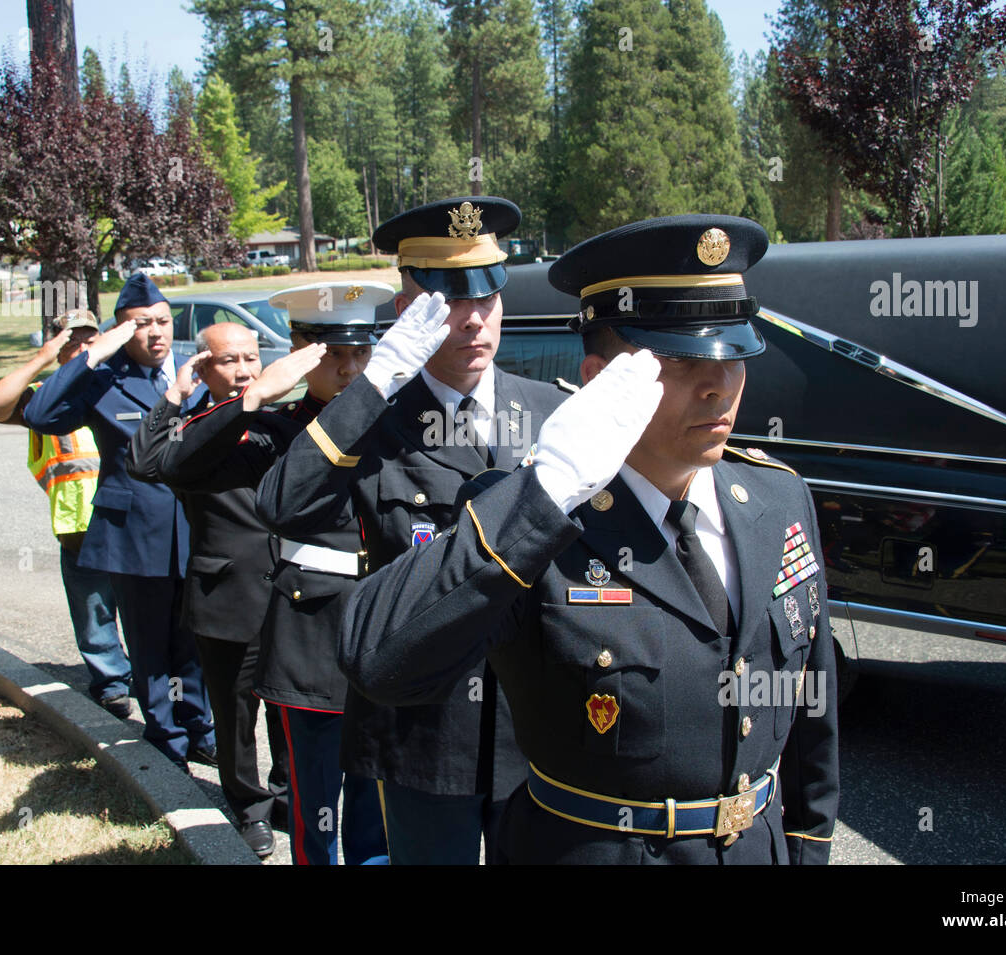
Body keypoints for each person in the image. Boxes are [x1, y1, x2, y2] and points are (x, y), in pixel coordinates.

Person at [339, 214, 840, 864]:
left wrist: (806, 850)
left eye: (732, 354)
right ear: (603, 377)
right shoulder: (534, 518)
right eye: (680, 361)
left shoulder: (777, 499)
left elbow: (810, 726)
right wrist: (544, 490)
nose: (718, 384)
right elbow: (378, 657)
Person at [256, 198, 570, 864]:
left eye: (489, 297)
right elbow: (282, 504)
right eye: (451, 301)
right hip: (423, 732)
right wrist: (374, 383)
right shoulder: (375, 420)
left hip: (534, 729)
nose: (476, 318)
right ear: (410, 314)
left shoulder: (550, 411)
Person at [158, 282, 395, 864]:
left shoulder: (394, 421)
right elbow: (163, 464)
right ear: (299, 351)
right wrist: (253, 397)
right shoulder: (276, 429)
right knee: (316, 808)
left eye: (360, 353)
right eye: (331, 355)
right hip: (312, 635)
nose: (349, 370)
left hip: (388, 628)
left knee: (379, 801)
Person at [126, 321, 321, 857]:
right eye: (229, 360)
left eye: (251, 358)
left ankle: (285, 795)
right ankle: (249, 807)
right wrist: (173, 395)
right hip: (226, 595)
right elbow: (142, 463)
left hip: (289, 591)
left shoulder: (282, 424)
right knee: (235, 715)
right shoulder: (192, 433)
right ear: (203, 367)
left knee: (288, 708)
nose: (243, 371)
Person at [24, 273, 215, 771]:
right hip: (134, 535)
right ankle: (166, 737)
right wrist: (94, 352)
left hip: (196, 528)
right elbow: (42, 415)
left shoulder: (197, 369)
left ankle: (201, 729)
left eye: (162, 321)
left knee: (194, 640)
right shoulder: (105, 379)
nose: (155, 333)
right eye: (140, 325)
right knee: (150, 644)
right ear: (122, 330)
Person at [0, 308, 132, 718]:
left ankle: (152, 680)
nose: (82, 347)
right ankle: (112, 682)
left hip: (130, 519)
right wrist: (40, 360)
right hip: (79, 526)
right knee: (93, 610)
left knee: (147, 608)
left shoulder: (117, 385)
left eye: (89, 338)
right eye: (70, 341)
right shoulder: (44, 398)